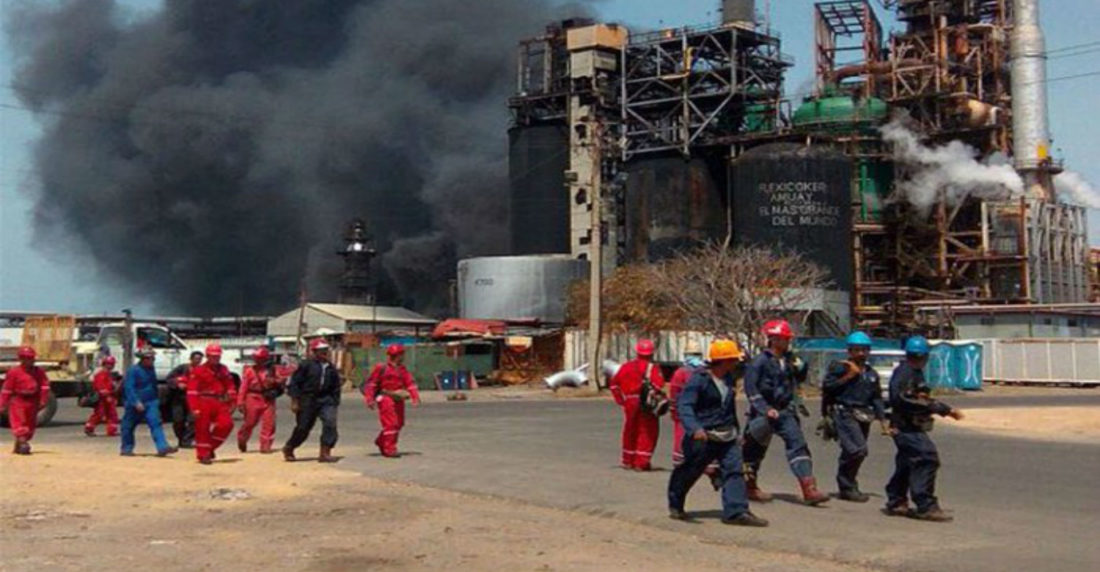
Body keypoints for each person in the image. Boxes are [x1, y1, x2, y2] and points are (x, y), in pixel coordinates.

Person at [668, 339, 767, 527]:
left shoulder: (728, 379)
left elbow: (728, 409)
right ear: (723, 361)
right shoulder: (699, 380)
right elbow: (685, 406)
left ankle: (736, 512)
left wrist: (737, 433)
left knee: (734, 470)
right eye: (732, 360)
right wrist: (695, 428)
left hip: (727, 435)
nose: (735, 363)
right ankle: (676, 503)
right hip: (704, 437)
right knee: (690, 471)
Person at [741, 319, 829, 506]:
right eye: (784, 339)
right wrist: (765, 409)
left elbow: (798, 379)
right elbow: (751, 389)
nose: (788, 342)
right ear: (773, 339)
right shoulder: (759, 363)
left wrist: (801, 367)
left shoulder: (789, 360)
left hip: (785, 412)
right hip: (762, 414)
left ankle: (809, 488)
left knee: (798, 445)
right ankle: (749, 487)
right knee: (752, 451)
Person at [885, 336, 964, 522]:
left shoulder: (914, 372)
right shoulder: (905, 373)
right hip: (906, 426)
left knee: (907, 461)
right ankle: (925, 504)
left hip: (910, 425)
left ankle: (896, 500)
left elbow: (919, 396)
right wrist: (941, 409)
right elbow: (905, 399)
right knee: (926, 458)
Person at [821, 331, 888, 502]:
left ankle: (848, 485)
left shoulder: (871, 374)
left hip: (863, 415)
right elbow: (828, 387)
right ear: (850, 351)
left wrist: (882, 420)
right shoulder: (840, 367)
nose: (861, 353)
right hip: (844, 412)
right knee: (857, 449)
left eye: (864, 350)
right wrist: (849, 376)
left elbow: (876, 397)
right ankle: (847, 485)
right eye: (857, 350)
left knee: (855, 451)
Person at [609, 339, 666, 471]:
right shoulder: (653, 368)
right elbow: (658, 385)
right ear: (651, 353)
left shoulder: (626, 367)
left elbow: (614, 384)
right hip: (645, 402)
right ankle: (641, 462)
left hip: (630, 402)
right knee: (647, 431)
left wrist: (621, 400)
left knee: (630, 430)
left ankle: (628, 460)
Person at [283, 338, 342, 463]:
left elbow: (336, 386)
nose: (324, 353)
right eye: (321, 351)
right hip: (308, 399)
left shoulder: (331, 368)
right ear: (314, 352)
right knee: (303, 427)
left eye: (326, 350)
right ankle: (290, 447)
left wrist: (335, 401)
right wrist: (295, 401)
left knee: (330, 423)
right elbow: (294, 383)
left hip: (326, 399)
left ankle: (325, 452)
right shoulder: (306, 365)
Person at [668, 340, 718, 484]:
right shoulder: (706, 372)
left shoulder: (680, 373)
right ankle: (710, 464)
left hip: (685, 412)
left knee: (681, 436)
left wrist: (674, 412)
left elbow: (674, 393)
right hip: (704, 411)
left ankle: (681, 462)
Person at [363, 343, 421, 458]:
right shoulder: (381, 368)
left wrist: (415, 396)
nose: (403, 357)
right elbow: (372, 384)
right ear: (397, 355)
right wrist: (369, 399)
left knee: (399, 423)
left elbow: (410, 383)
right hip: (385, 398)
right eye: (401, 354)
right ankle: (390, 448)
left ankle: (381, 441)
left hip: (398, 399)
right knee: (391, 423)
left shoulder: (402, 369)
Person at [119, 347, 176, 457]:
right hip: (135, 403)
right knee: (128, 426)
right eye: (149, 358)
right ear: (143, 359)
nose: (152, 360)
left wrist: (157, 400)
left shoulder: (151, 369)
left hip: (151, 401)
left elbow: (153, 385)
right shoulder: (133, 370)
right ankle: (126, 448)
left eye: (153, 358)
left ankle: (162, 447)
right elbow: (129, 388)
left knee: (156, 423)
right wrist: (136, 402)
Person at [188, 344, 236, 464]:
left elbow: (230, 385)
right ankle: (203, 455)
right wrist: (194, 408)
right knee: (202, 429)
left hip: (219, 400)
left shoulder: (223, 369)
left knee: (227, 424)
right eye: (213, 356)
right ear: (208, 356)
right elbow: (192, 391)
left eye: (218, 356)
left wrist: (232, 400)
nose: (216, 359)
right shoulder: (198, 370)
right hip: (203, 401)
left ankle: (210, 448)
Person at [0, 346, 52, 455]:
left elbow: (44, 386)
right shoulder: (14, 372)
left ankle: (19, 445)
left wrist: (43, 400)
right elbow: (7, 390)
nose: (28, 360)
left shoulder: (39, 372)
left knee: (30, 424)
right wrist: (2, 404)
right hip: (18, 401)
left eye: (30, 358)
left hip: (33, 401)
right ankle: (23, 444)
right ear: (20, 359)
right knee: (20, 422)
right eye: (25, 358)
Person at [236, 347, 284, 454]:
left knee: (269, 423)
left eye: (261, 359)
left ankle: (265, 445)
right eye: (257, 358)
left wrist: (275, 381)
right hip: (253, 397)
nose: (259, 361)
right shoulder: (249, 371)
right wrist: (240, 402)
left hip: (268, 397)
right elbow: (243, 387)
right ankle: (242, 438)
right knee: (250, 422)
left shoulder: (272, 370)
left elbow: (281, 380)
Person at [165, 351, 202, 448]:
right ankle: (181, 439)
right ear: (191, 359)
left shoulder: (202, 370)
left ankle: (187, 440)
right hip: (179, 397)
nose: (198, 361)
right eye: (196, 359)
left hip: (194, 398)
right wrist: (177, 384)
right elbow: (169, 378)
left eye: (199, 359)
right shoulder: (182, 368)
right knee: (178, 419)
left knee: (193, 420)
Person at [84, 356, 121, 437]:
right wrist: (107, 396)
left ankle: (112, 431)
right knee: (99, 414)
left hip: (109, 397)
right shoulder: (101, 374)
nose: (111, 366)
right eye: (109, 364)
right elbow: (100, 388)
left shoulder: (108, 375)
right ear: (104, 364)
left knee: (112, 415)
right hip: (103, 398)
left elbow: (110, 386)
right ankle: (89, 428)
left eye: (112, 364)